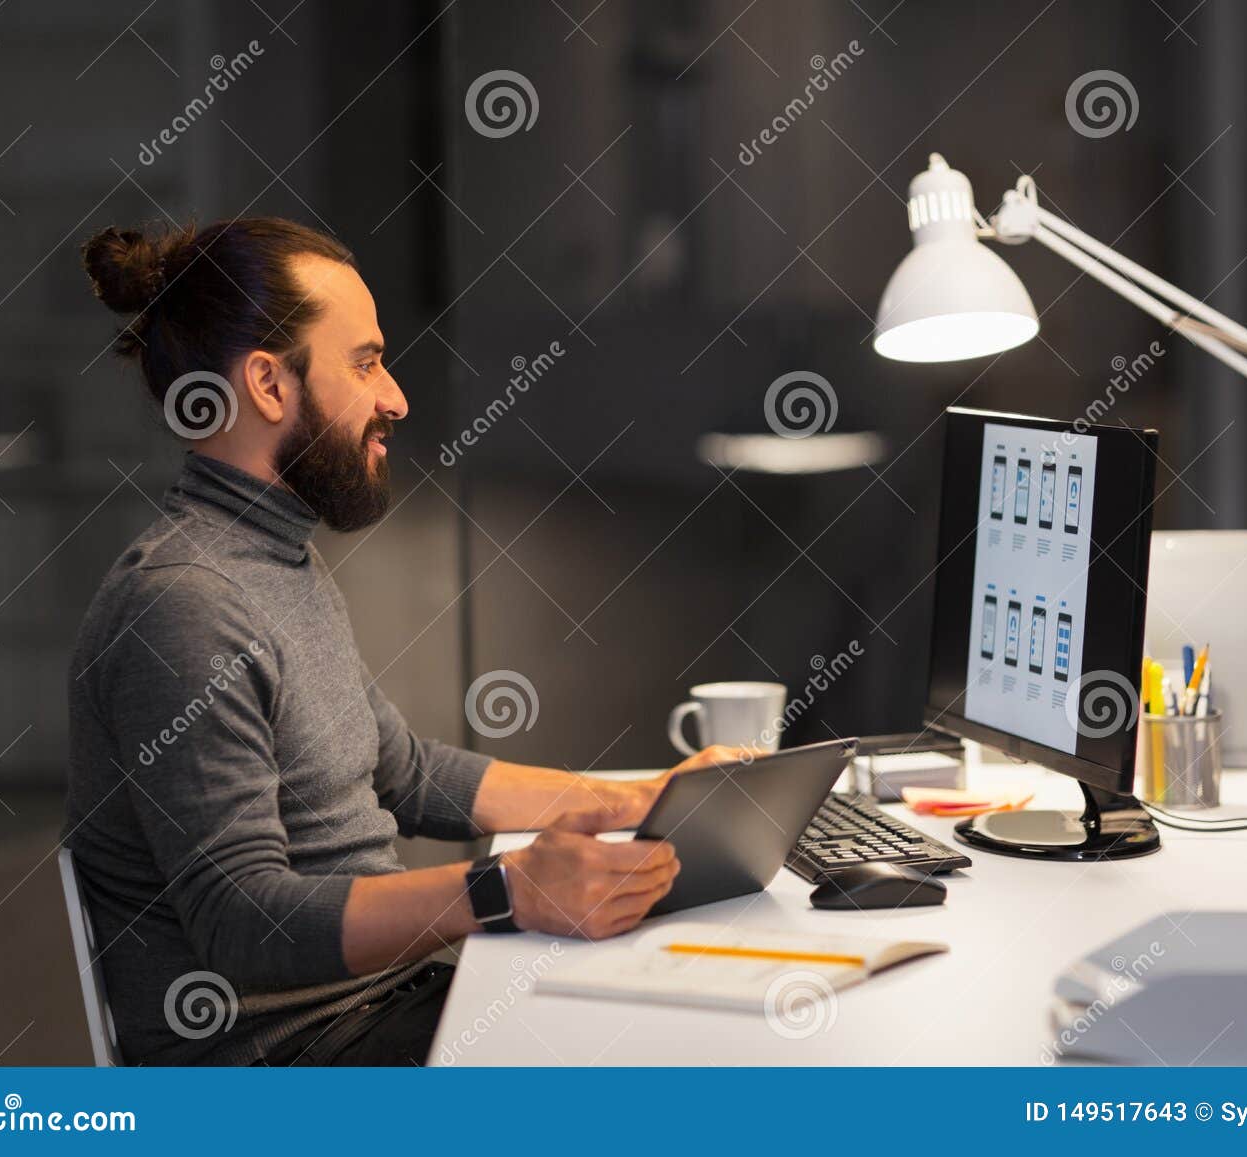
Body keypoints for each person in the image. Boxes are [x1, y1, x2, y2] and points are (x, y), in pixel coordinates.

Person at [64, 217, 740, 1066]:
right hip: (296, 1057)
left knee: (687, 1023)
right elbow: (245, 919)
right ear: (270, 384)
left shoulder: (277, 561)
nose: (396, 396)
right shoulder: (185, 605)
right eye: (364, 360)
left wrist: (637, 801)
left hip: (385, 1008)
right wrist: (506, 891)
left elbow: (404, 772)